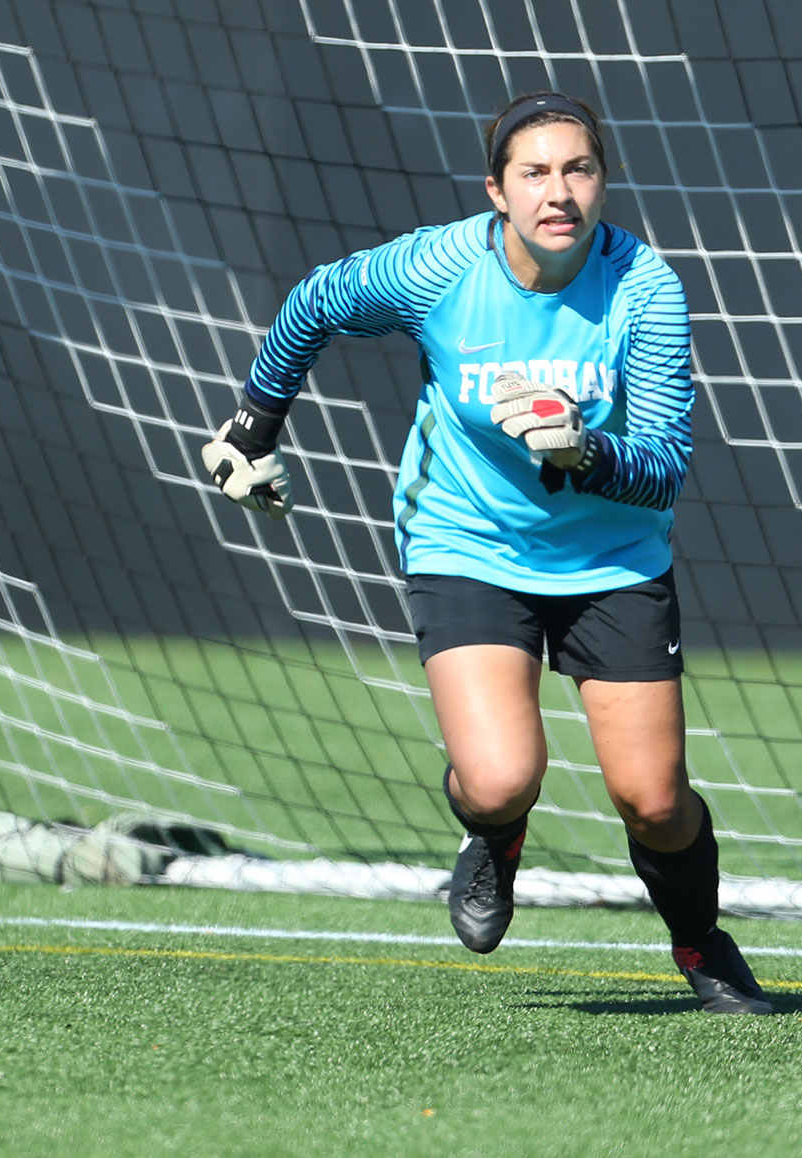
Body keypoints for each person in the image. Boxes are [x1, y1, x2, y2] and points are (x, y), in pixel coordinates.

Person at [199, 91, 772, 1014]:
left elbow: (663, 469)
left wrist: (582, 450)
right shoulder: (439, 267)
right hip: (466, 541)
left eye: (578, 169)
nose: (559, 192)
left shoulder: (646, 288)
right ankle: (495, 838)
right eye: (534, 173)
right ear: (497, 192)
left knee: (656, 803)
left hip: (613, 563)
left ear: (603, 181)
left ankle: (699, 942)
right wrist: (254, 423)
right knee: (502, 777)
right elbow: (314, 303)